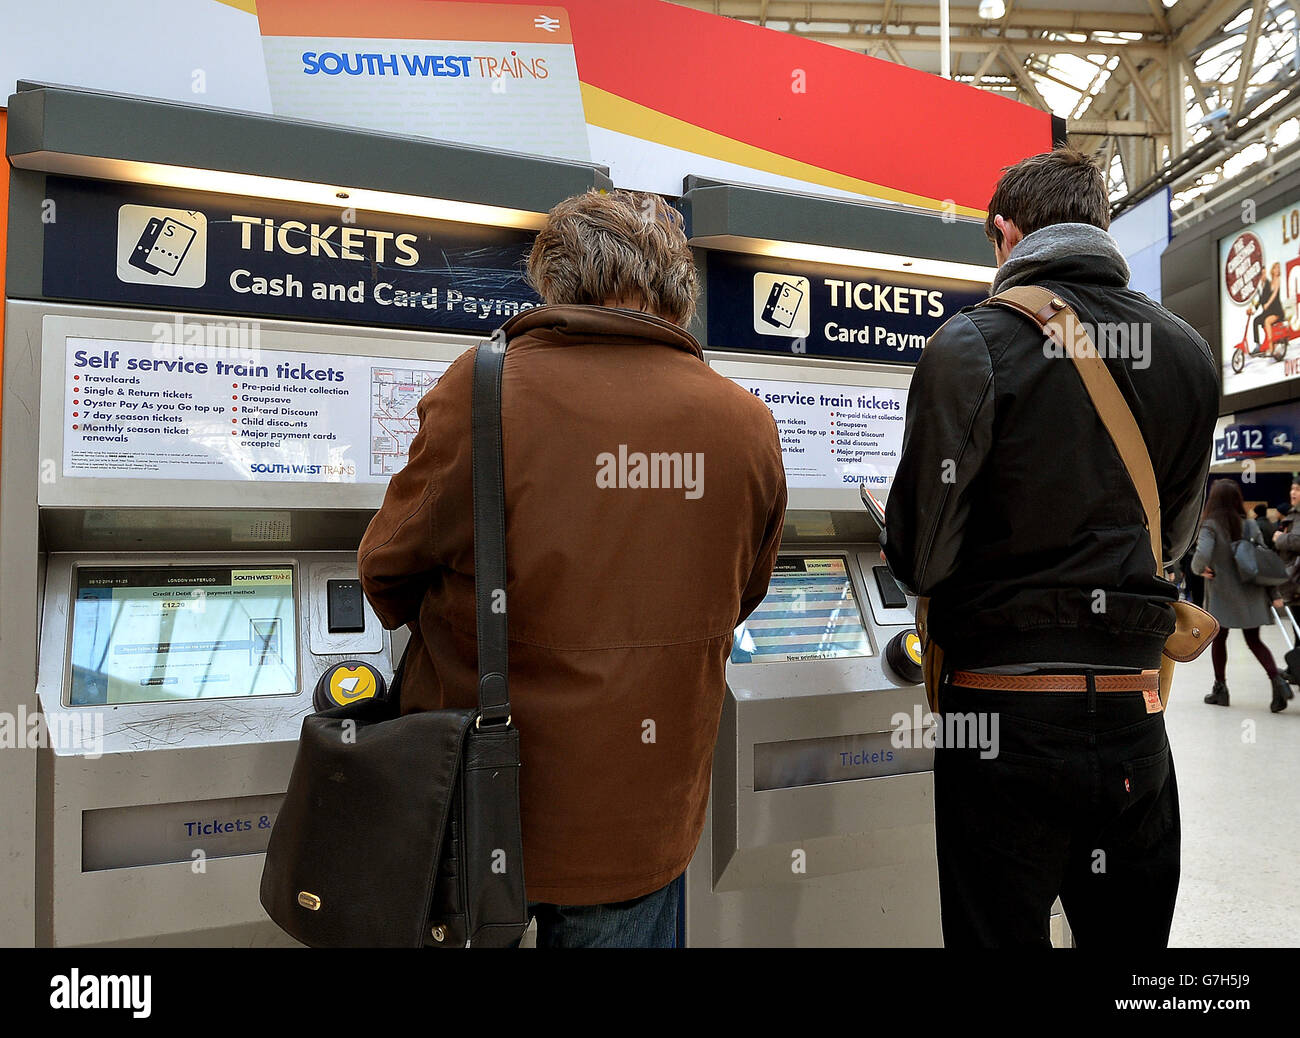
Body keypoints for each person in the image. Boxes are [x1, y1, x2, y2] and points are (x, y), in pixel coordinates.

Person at [357, 189, 787, 948]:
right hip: (643, 806)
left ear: (556, 279)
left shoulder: (481, 388)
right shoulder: (746, 423)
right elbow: (743, 592)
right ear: (676, 287)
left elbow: (388, 570)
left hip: (482, 781)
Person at [883, 147, 1219, 948]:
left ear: (1005, 232)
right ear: (1099, 226)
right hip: (1137, 715)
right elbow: (1169, 544)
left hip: (1000, 719)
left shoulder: (969, 345)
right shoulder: (1187, 352)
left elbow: (924, 558)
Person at [1193, 480, 1290, 712]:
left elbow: (1202, 555)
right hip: (1251, 591)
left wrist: (1199, 569)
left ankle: (1221, 689)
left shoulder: (1210, 525)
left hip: (1222, 593)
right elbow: (1261, 558)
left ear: (1213, 499)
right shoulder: (1249, 524)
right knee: (1254, 641)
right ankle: (1277, 681)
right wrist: (1273, 593)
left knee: (1219, 639)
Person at [1252, 262, 1287, 349]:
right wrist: (1253, 309)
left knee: (1266, 321)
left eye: (1264, 273)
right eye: (1261, 274)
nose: (1263, 275)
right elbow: (1260, 300)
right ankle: (1258, 344)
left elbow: (1273, 295)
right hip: (1269, 310)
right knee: (1256, 321)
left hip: (1274, 310)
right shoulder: (1265, 284)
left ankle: (1270, 346)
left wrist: (1267, 304)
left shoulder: (1269, 283)